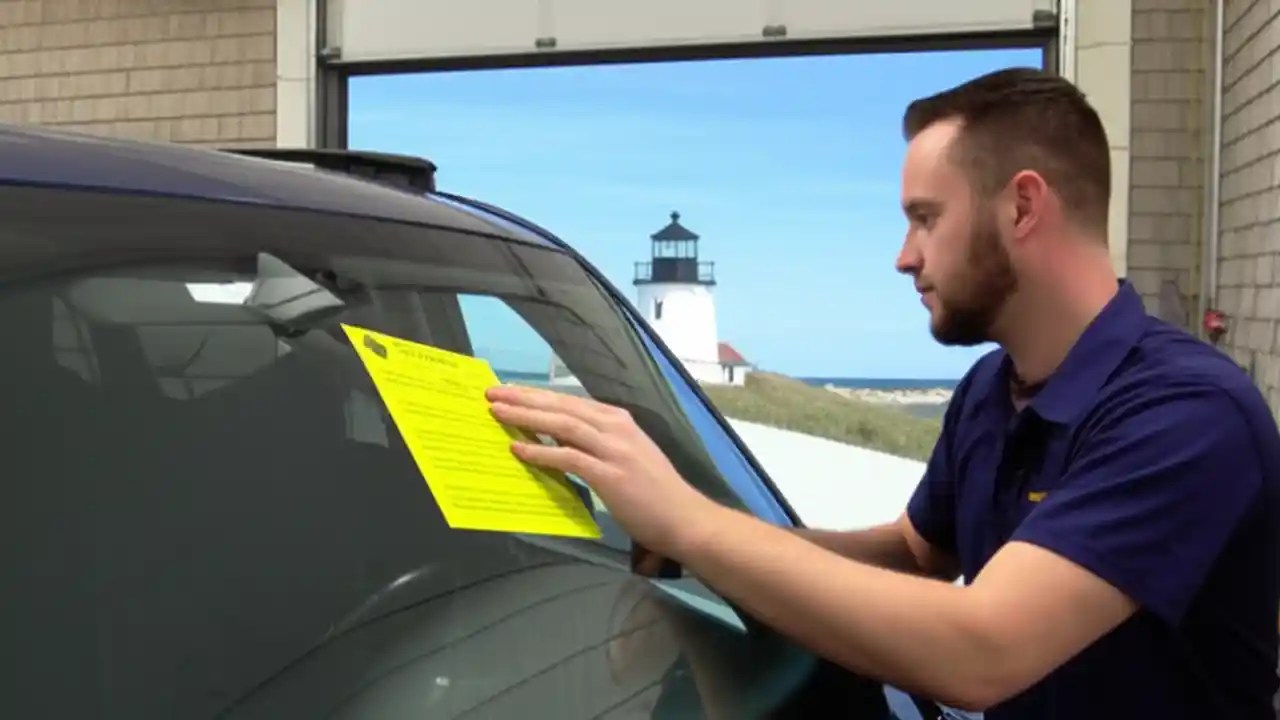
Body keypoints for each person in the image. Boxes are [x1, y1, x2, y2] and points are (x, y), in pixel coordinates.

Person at [486, 66, 1280, 718]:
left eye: (925, 218)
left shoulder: (1188, 415)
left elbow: (982, 650)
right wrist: (719, 543)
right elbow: (914, 553)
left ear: (1023, 207)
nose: (904, 257)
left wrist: (689, 523)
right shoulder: (991, 390)